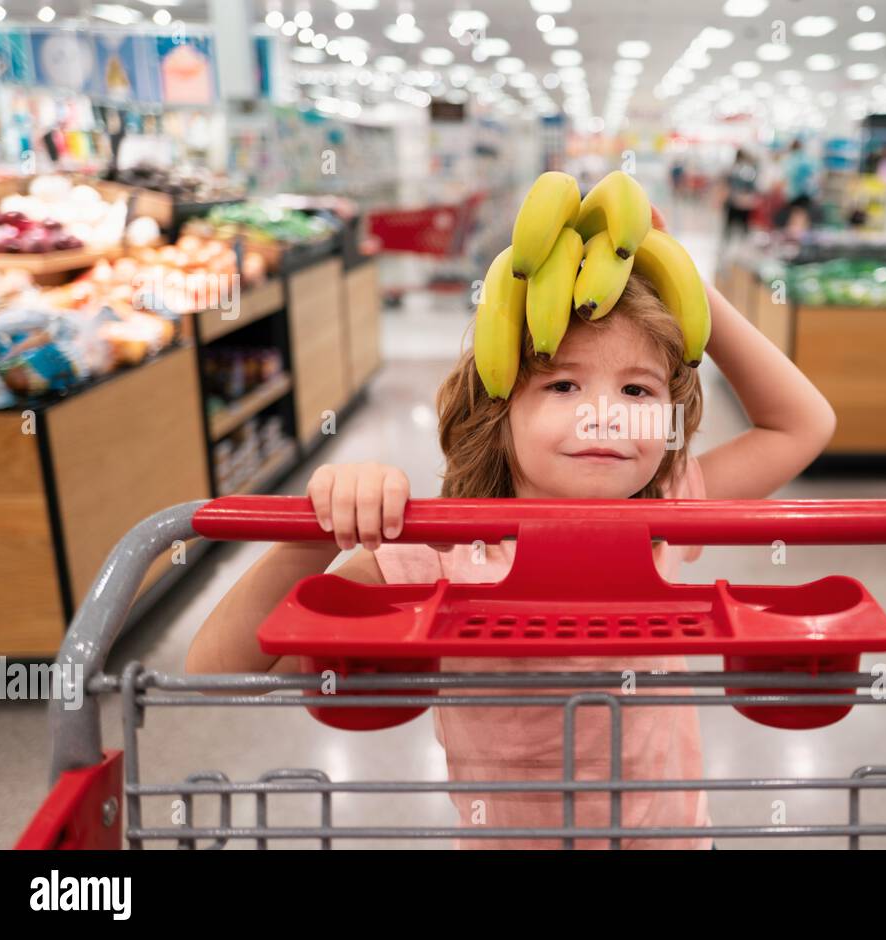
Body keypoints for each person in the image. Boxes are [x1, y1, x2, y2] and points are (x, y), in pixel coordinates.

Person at [185, 206, 837, 849]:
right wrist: (313, 535)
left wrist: (695, 291)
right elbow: (216, 671)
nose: (603, 416)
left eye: (638, 392)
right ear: (500, 410)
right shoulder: (432, 553)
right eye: (562, 386)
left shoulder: (666, 512)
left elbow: (802, 424)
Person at [778, 139, 818, 235]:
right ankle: (802, 234)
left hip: (793, 194)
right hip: (807, 194)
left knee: (794, 216)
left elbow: (785, 178)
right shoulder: (808, 159)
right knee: (803, 216)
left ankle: (794, 234)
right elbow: (815, 177)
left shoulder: (789, 160)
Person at [722, 148, 760, 241]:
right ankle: (741, 244)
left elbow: (727, 184)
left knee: (730, 225)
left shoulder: (733, 168)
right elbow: (751, 186)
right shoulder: (747, 169)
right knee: (743, 225)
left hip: (734, 200)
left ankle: (727, 245)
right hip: (742, 201)